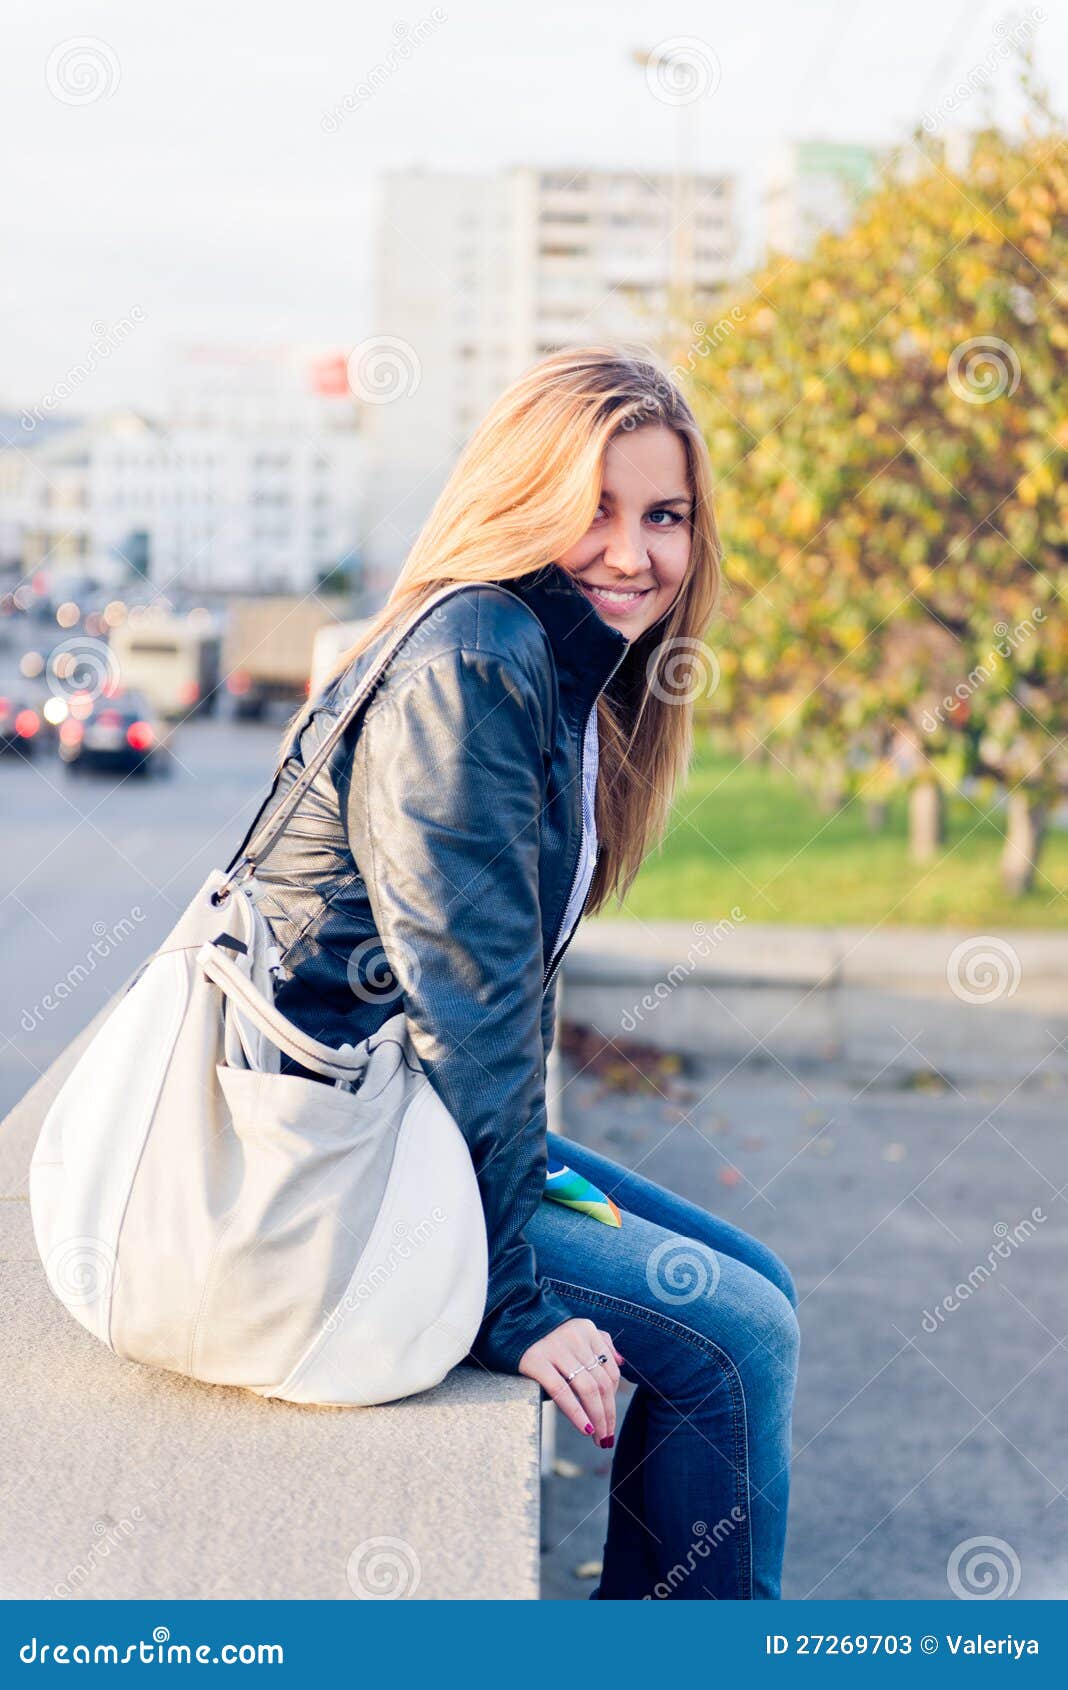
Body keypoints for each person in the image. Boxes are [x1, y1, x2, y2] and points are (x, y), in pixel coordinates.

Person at [245, 345, 799, 1599]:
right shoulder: (474, 657)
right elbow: (472, 1010)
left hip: (406, 1118)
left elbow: (490, 997)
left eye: (664, 515)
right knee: (735, 1333)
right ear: (518, 500)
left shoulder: (547, 664)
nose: (633, 551)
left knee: (758, 1286)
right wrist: (515, 1302)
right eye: (592, 507)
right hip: (336, 1159)